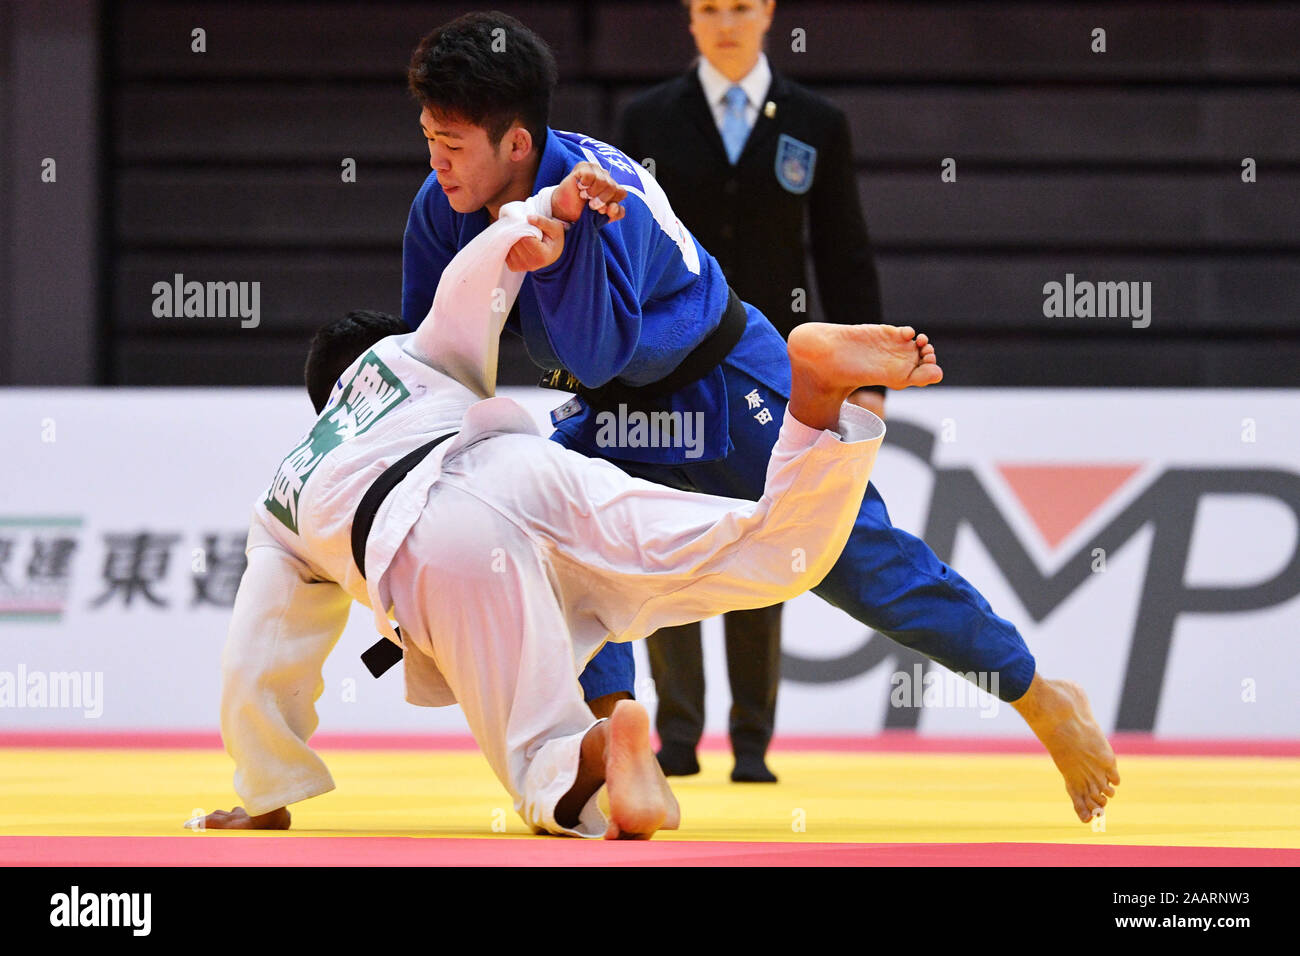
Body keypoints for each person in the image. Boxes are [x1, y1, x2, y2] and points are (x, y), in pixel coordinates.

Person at [400, 12, 1120, 822]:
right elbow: (432, 356)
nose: (436, 162)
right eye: (429, 137)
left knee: (858, 565)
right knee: (551, 551)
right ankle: (618, 755)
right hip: (616, 414)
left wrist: (556, 241)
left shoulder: (609, 200)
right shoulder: (440, 204)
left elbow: (597, 355)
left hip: (723, 380)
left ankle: (1039, 695)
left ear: (518, 145)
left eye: (452, 144)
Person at [197, 185, 943, 839]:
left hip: (434, 539)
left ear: (322, 403)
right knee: (766, 552)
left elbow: (256, 655)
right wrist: (541, 211)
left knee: (534, 759)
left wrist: (266, 793)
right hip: (529, 468)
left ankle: (593, 751)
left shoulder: (287, 489)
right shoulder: (412, 356)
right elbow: (468, 285)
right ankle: (812, 403)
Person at [615, 0, 888, 782]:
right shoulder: (646, 119)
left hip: (774, 370)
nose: (725, 22)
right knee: (668, 537)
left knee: (763, 532)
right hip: (664, 367)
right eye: (709, 8)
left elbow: (844, 249)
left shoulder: (816, 120)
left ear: (767, 12)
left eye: (740, 5)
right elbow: (624, 249)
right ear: (688, 20)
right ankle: (674, 733)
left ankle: (751, 739)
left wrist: (867, 379)